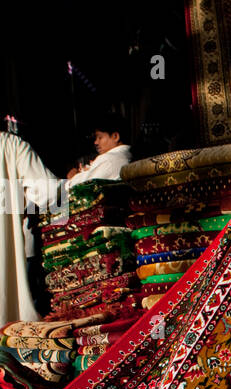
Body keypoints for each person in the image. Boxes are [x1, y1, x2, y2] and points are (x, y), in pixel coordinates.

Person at [0, 113, 132, 324]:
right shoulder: (9, 145)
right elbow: (49, 193)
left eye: (100, 137)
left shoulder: (115, 158)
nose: (96, 142)